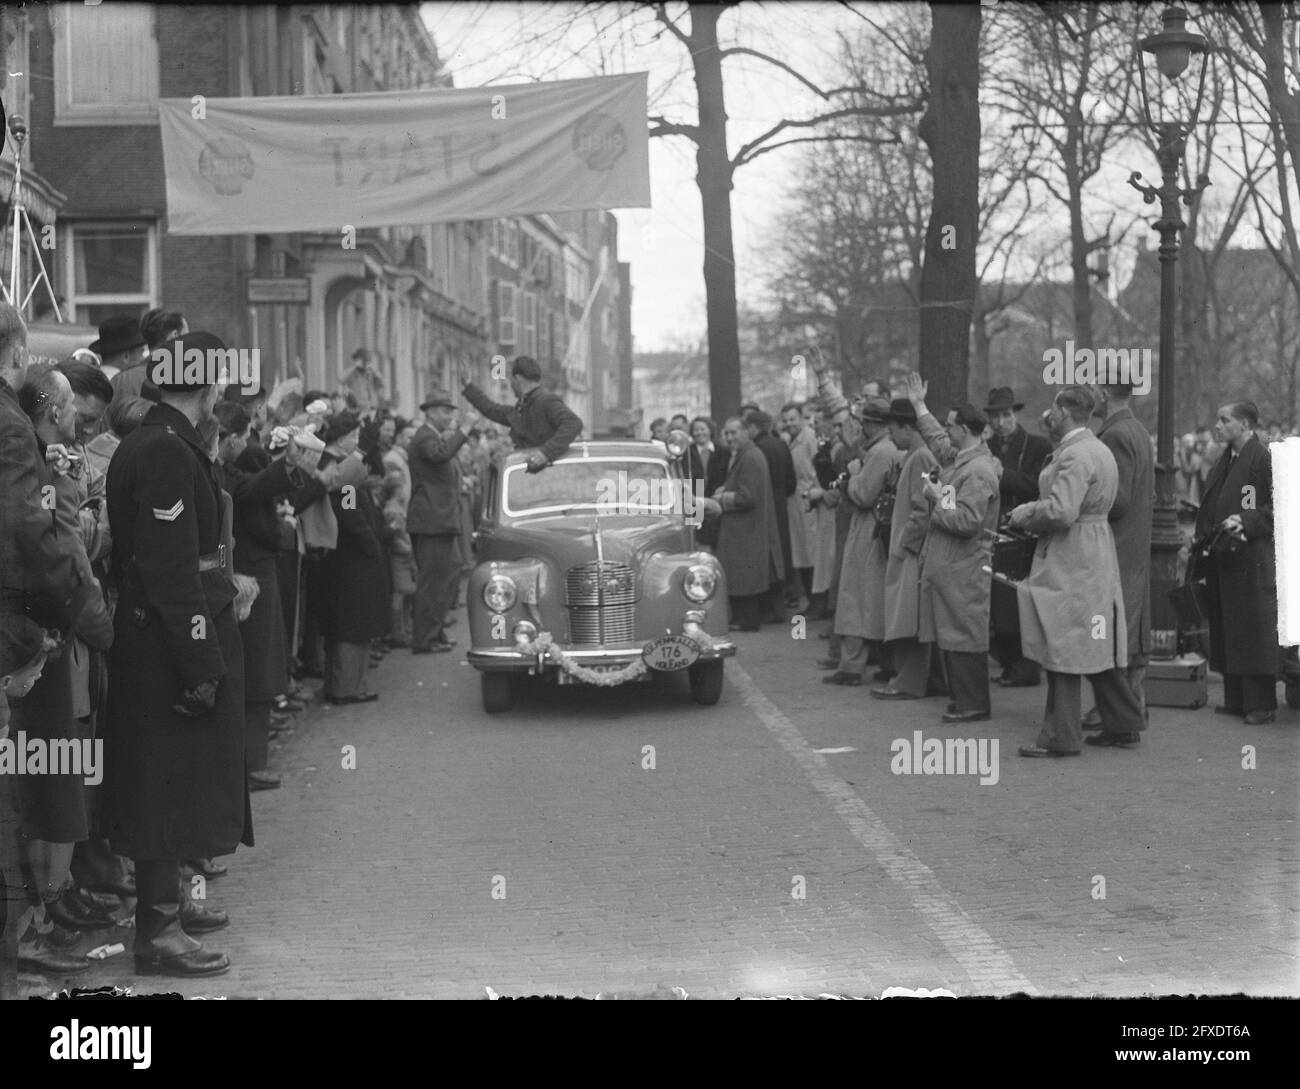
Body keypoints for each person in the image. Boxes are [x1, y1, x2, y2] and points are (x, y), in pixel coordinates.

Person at [103, 330, 250, 977]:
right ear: (209, 387)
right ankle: (158, 932)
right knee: (165, 783)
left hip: (160, 640)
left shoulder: (161, 443)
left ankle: (170, 914)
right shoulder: (164, 451)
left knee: (175, 780)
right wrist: (200, 661)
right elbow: (169, 572)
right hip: (166, 650)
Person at [1008, 386, 1146, 757]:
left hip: (1072, 553)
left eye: (1053, 408)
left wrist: (1026, 513)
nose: (1048, 414)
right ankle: (1124, 722)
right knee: (1092, 644)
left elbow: (1061, 511)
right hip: (1095, 549)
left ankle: (1061, 736)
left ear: (1064, 412)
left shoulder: (1075, 455)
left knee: (1063, 643)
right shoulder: (1097, 448)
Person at [905, 374, 1001, 722]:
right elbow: (938, 441)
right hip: (954, 567)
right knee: (954, 631)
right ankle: (965, 699)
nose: (946, 431)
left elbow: (967, 521)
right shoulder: (964, 458)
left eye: (950, 426)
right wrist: (919, 406)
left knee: (965, 634)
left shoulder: (977, 471)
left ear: (964, 431)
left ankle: (973, 703)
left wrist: (934, 500)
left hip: (965, 566)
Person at [1194, 400, 1278, 724]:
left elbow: (1279, 506)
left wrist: (1248, 520)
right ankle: (1237, 699)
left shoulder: (1262, 458)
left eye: (1224, 420)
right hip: (1226, 557)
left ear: (1244, 424)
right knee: (1230, 626)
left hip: (1251, 559)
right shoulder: (1227, 458)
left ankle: (1261, 704)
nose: (1217, 425)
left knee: (1253, 630)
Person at [1081, 381, 1154, 730]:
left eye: (1093, 389)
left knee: (1112, 631)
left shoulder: (1115, 435)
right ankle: (1131, 705)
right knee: (1129, 631)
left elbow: (1117, 499)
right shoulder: (1134, 429)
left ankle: (1115, 709)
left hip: (1116, 547)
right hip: (1133, 546)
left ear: (1105, 394)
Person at [823, 396, 898, 686]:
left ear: (871, 423)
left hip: (868, 525)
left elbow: (864, 494)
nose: (861, 426)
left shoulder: (880, 452)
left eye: (864, 421)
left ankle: (852, 665)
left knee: (854, 595)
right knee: (872, 598)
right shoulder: (886, 449)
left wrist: (853, 477)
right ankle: (881, 662)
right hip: (877, 526)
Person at [318, 413, 389, 702]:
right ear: (342, 438)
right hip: (351, 559)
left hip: (348, 558)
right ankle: (347, 687)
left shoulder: (338, 466)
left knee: (354, 626)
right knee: (352, 627)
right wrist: (372, 544)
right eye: (354, 437)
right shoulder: (338, 469)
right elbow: (349, 511)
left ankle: (349, 685)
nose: (357, 443)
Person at [872, 399, 939, 701]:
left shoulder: (921, 457)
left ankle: (909, 682)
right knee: (906, 617)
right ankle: (913, 678)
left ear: (907, 428)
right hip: (908, 550)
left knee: (910, 620)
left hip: (912, 553)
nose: (890, 436)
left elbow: (922, 509)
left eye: (893, 429)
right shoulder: (914, 456)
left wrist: (903, 545)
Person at [984, 387, 1051, 688]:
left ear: (1016, 415)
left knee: (1017, 603)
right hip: (995, 530)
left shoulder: (1037, 446)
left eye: (1006, 415)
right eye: (996, 416)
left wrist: (1004, 475)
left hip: (1023, 534)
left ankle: (1026, 666)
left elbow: (1039, 486)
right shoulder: (987, 448)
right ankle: (1011, 662)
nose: (1001, 422)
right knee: (1000, 604)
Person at [700, 416, 783, 631]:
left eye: (734, 432)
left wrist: (722, 497)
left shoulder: (750, 457)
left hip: (745, 529)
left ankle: (747, 620)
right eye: (726, 433)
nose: (729, 437)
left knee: (743, 575)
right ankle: (743, 618)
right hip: (743, 528)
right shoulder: (746, 455)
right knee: (741, 574)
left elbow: (748, 497)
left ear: (746, 432)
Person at [407, 390, 473, 654]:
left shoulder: (432, 437)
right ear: (431, 412)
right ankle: (425, 638)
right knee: (431, 582)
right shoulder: (424, 438)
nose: (449, 417)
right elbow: (440, 455)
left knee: (448, 574)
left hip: (441, 519)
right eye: (445, 411)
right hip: (431, 521)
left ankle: (436, 631)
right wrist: (465, 429)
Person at [459, 355, 583, 471]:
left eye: (511, 380)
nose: (511, 385)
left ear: (517, 379)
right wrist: (468, 386)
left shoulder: (546, 401)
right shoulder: (522, 407)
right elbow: (492, 409)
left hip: (550, 475)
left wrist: (545, 453)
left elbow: (573, 423)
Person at [782, 401, 819, 605]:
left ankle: (816, 600)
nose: (789, 423)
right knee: (801, 550)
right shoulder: (792, 440)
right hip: (796, 501)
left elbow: (816, 467)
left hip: (808, 499)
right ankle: (810, 599)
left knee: (810, 549)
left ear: (802, 418)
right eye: (786, 420)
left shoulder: (809, 438)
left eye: (793, 419)